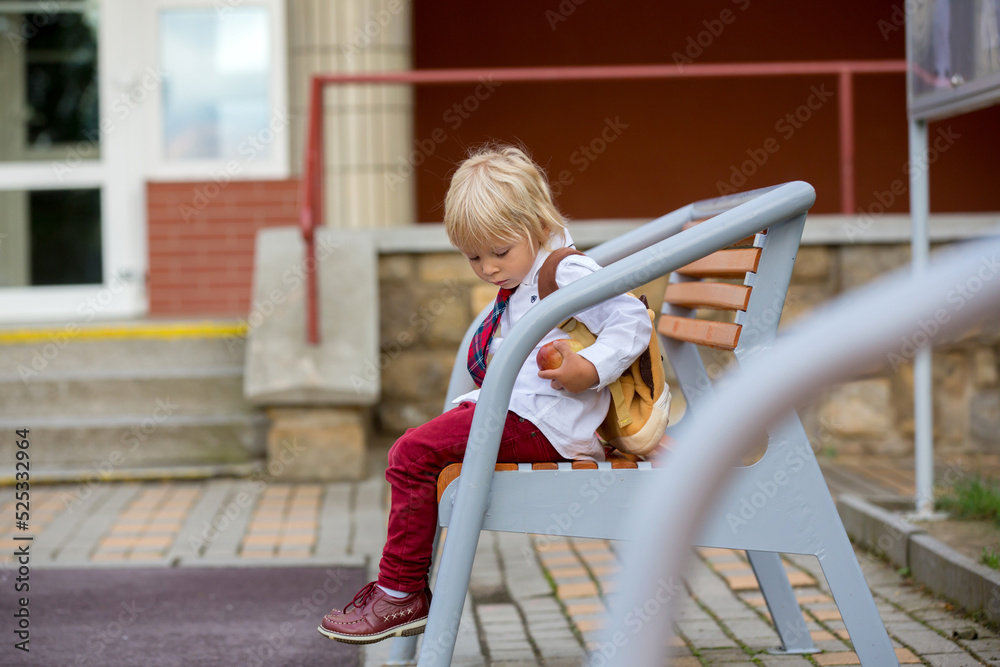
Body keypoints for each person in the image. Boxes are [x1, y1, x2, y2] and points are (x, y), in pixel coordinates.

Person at [317, 144, 653, 644]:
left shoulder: (564, 270)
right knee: (419, 451)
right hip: (526, 414)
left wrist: (588, 367)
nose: (489, 268)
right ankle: (399, 589)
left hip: (544, 423)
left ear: (538, 225)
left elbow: (632, 318)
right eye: (474, 256)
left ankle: (401, 593)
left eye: (499, 252)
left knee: (411, 454)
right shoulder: (529, 275)